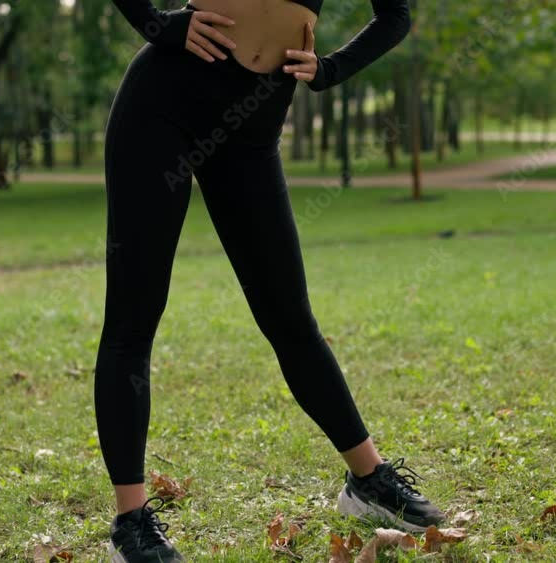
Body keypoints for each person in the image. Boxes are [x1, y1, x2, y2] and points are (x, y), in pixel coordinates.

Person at [97, 1, 444, 560]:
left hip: (254, 120)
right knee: (133, 320)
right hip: (163, 103)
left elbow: (395, 14)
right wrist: (158, 22)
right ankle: (131, 526)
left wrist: (331, 69)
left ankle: (368, 480)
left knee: (289, 317)